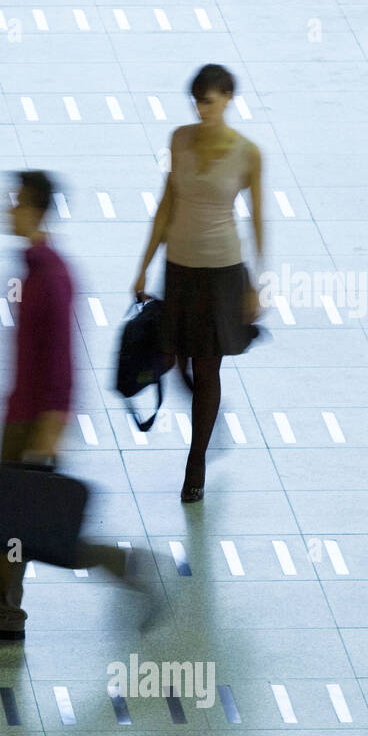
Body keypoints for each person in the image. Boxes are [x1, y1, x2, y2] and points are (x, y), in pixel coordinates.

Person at [0, 171, 140, 641]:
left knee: (31, 531)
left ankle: (123, 565)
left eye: (15, 200)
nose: (7, 207)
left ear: (34, 209)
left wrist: (51, 424)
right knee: (12, 530)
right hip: (21, 413)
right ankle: (4, 614)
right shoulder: (31, 266)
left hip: (35, 421)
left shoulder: (51, 274)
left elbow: (62, 358)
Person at [133, 63, 264, 503]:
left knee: (207, 367)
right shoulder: (180, 139)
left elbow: (259, 220)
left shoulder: (248, 153)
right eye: (196, 101)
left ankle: (196, 463)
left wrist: (256, 283)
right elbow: (166, 203)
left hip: (222, 272)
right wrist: (144, 264)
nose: (201, 109)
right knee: (176, 360)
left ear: (227, 98)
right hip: (180, 268)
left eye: (208, 100)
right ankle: (208, 423)